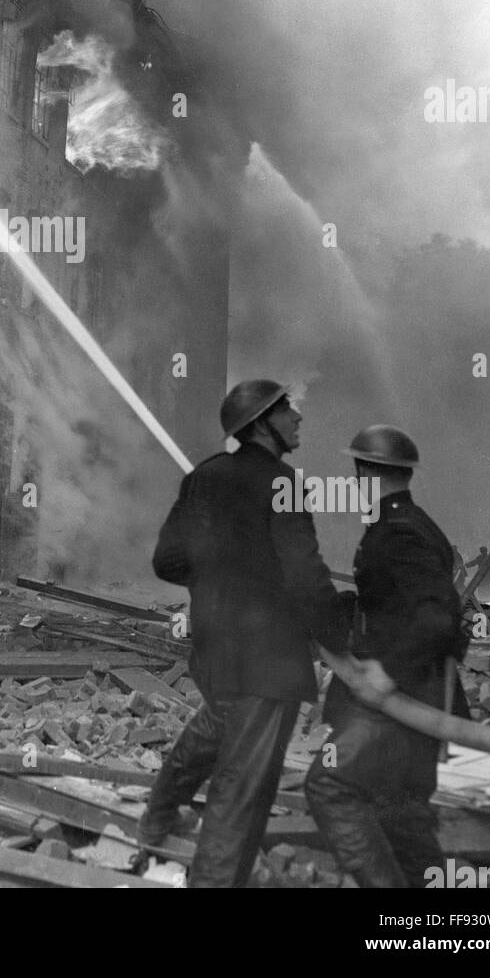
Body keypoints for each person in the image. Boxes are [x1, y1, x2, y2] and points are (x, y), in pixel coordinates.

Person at [139, 379, 352, 888]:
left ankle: (157, 816)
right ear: (260, 423)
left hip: (215, 647)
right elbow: (305, 574)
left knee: (214, 729)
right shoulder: (284, 482)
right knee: (243, 788)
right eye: (287, 410)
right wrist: (342, 647)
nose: (297, 418)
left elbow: (167, 562)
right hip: (269, 656)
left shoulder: (203, 477)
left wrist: (220, 578)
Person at [304, 425, 469, 888]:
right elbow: (401, 603)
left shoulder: (397, 533)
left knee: (329, 783)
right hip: (421, 698)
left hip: (404, 703)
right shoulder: (410, 523)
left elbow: (438, 617)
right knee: (402, 816)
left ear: (363, 472)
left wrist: (386, 672)